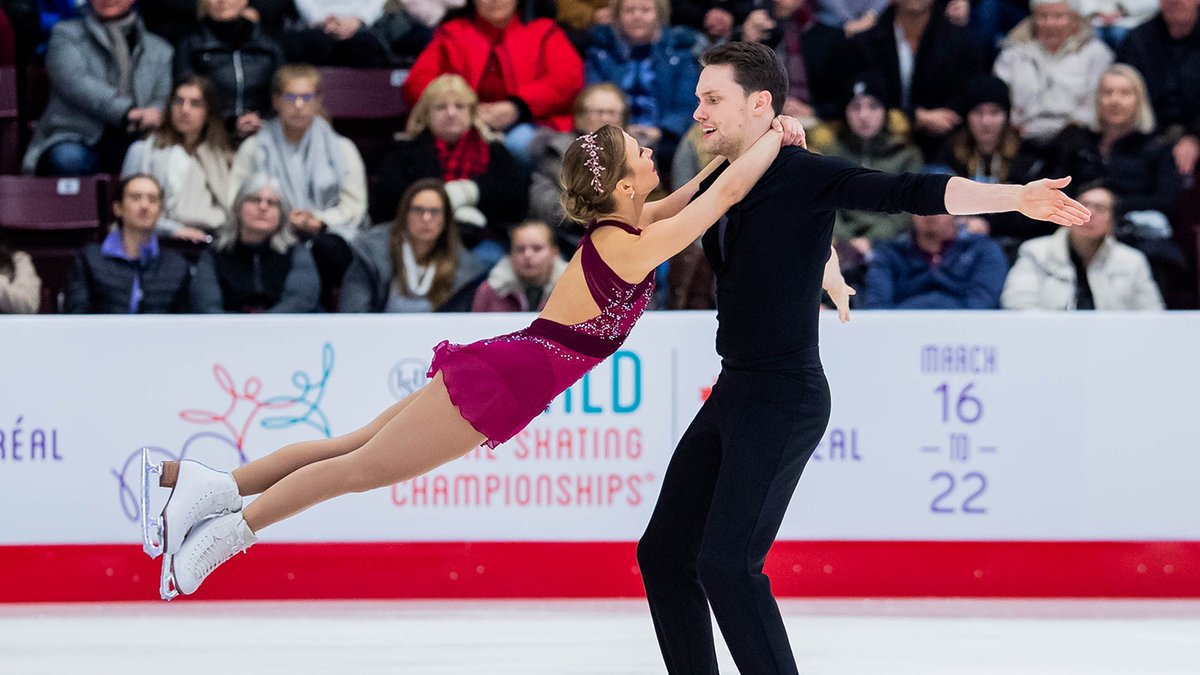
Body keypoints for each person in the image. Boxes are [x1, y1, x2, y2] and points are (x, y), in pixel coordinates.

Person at [144, 113, 818, 599]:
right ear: (619, 184)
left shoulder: (629, 223)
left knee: (350, 448)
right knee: (356, 469)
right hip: (508, 378)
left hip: (509, 364)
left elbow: (700, 190)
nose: (652, 156)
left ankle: (201, 487)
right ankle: (222, 536)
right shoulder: (631, 241)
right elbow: (724, 196)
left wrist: (743, 145)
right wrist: (770, 135)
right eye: (643, 152)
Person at [635, 42, 1087, 675]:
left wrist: (1013, 196)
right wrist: (828, 270)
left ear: (759, 103)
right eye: (698, 99)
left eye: (713, 99)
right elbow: (780, 229)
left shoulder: (805, 172)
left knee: (727, 565)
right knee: (663, 552)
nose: (699, 112)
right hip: (736, 388)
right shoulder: (720, 175)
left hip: (784, 396)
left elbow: (910, 190)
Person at [229, 64, 369, 310]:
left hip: (326, 236)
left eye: (307, 97)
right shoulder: (253, 148)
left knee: (328, 247)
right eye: (290, 97)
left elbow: (355, 206)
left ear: (319, 101)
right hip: (269, 234)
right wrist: (279, 218)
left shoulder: (342, 149)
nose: (299, 105)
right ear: (276, 101)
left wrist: (319, 220)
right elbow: (234, 199)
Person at [370, 74, 528, 266]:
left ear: (472, 113)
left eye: (459, 106)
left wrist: (470, 192)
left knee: (489, 259)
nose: (451, 113)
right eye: (441, 107)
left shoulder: (494, 150)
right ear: (426, 114)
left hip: (481, 238)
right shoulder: (404, 150)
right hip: (415, 238)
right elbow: (390, 198)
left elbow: (514, 199)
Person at [21, 0, 173, 176]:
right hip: (74, 135)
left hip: (136, 137)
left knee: (161, 158)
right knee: (69, 160)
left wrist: (155, 111)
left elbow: (163, 95)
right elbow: (74, 82)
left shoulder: (160, 49)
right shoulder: (65, 34)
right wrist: (126, 112)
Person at [1002, 183, 1164, 309]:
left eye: (1100, 208)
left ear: (1112, 222)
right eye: (1083, 205)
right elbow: (1018, 303)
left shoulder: (1132, 261)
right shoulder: (1035, 252)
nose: (1089, 214)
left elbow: (1150, 314)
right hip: (1049, 341)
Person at [340, 179, 488, 313]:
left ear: (446, 218)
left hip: (435, 340)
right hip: (378, 338)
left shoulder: (464, 267)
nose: (426, 218)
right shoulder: (371, 254)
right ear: (405, 214)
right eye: (418, 210)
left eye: (435, 211)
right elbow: (354, 314)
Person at [121, 76, 235, 244]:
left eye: (195, 103)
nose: (184, 109)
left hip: (214, 242)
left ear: (208, 112)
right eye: (178, 101)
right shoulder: (142, 152)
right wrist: (174, 231)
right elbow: (129, 211)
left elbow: (232, 210)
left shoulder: (223, 156)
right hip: (156, 241)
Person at [190, 173, 322, 313]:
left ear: (281, 214)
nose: (263, 207)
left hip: (282, 330)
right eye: (254, 200)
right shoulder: (215, 253)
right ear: (238, 207)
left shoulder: (296, 252)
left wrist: (262, 327)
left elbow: (299, 301)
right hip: (227, 331)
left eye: (272, 203)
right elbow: (206, 305)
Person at [63, 175, 191, 314]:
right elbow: (77, 317)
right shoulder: (90, 259)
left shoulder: (176, 265)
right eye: (136, 198)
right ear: (118, 208)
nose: (144, 206)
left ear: (160, 211)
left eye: (152, 200)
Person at [993, 0, 1114, 146]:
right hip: (1021, 136)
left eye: (1058, 16)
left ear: (1074, 18)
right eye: (1043, 16)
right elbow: (998, 98)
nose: (1050, 23)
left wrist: (1073, 128)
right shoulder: (1012, 53)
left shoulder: (1096, 54)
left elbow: (1097, 103)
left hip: (1076, 138)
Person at [173, 0, 286, 141]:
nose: (223, 1)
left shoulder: (269, 47)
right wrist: (229, 123)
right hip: (208, 138)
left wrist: (262, 119)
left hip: (264, 134)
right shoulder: (191, 47)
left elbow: (281, 93)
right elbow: (186, 98)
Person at [860, 212, 1010, 309]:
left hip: (965, 338)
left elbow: (983, 302)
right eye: (920, 204)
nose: (929, 213)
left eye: (938, 205)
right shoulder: (889, 253)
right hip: (901, 337)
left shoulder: (983, 250)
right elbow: (876, 306)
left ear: (956, 209)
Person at [471, 219, 567, 311]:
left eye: (537, 248)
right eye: (520, 249)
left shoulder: (571, 289)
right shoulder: (489, 291)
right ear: (510, 255)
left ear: (554, 253)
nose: (528, 255)